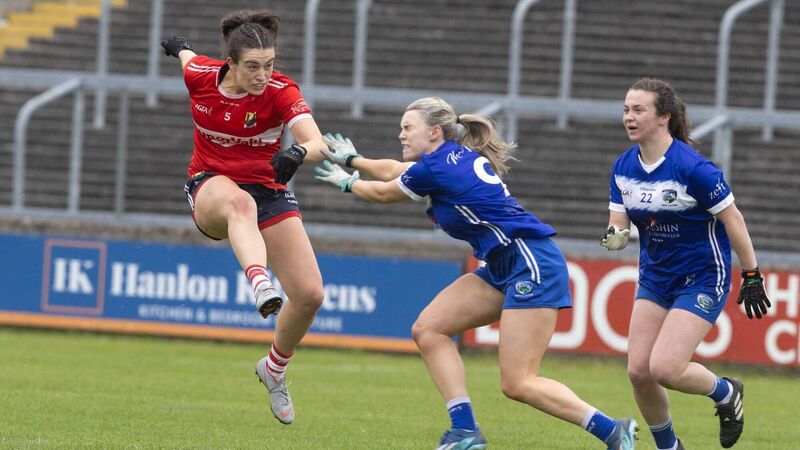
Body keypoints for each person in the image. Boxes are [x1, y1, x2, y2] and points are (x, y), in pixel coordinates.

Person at [314, 96, 640, 449]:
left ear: (434, 132)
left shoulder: (435, 169)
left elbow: (382, 192)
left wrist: (347, 182)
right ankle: (465, 431)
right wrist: (352, 159)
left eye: (408, 127)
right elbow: (396, 170)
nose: (401, 134)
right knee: (429, 330)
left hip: (530, 262)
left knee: (518, 382)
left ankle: (612, 430)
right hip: (504, 264)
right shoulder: (446, 158)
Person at [160, 9, 330, 425]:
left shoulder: (281, 90)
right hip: (210, 185)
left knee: (310, 294)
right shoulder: (201, 76)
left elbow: (318, 143)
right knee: (240, 206)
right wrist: (180, 48)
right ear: (230, 64)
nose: (262, 75)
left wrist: (297, 152)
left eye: (269, 64)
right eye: (253, 66)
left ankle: (273, 369)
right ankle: (260, 284)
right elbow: (188, 58)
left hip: (267, 189)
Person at [601, 78, 772, 450]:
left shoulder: (694, 168)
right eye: (626, 110)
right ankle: (669, 447)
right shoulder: (623, 167)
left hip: (702, 277)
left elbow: (734, 220)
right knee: (639, 371)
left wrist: (751, 274)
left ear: (663, 117)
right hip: (655, 278)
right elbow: (618, 226)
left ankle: (726, 392)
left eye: (638, 110)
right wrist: (614, 237)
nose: (629, 117)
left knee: (665, 368)